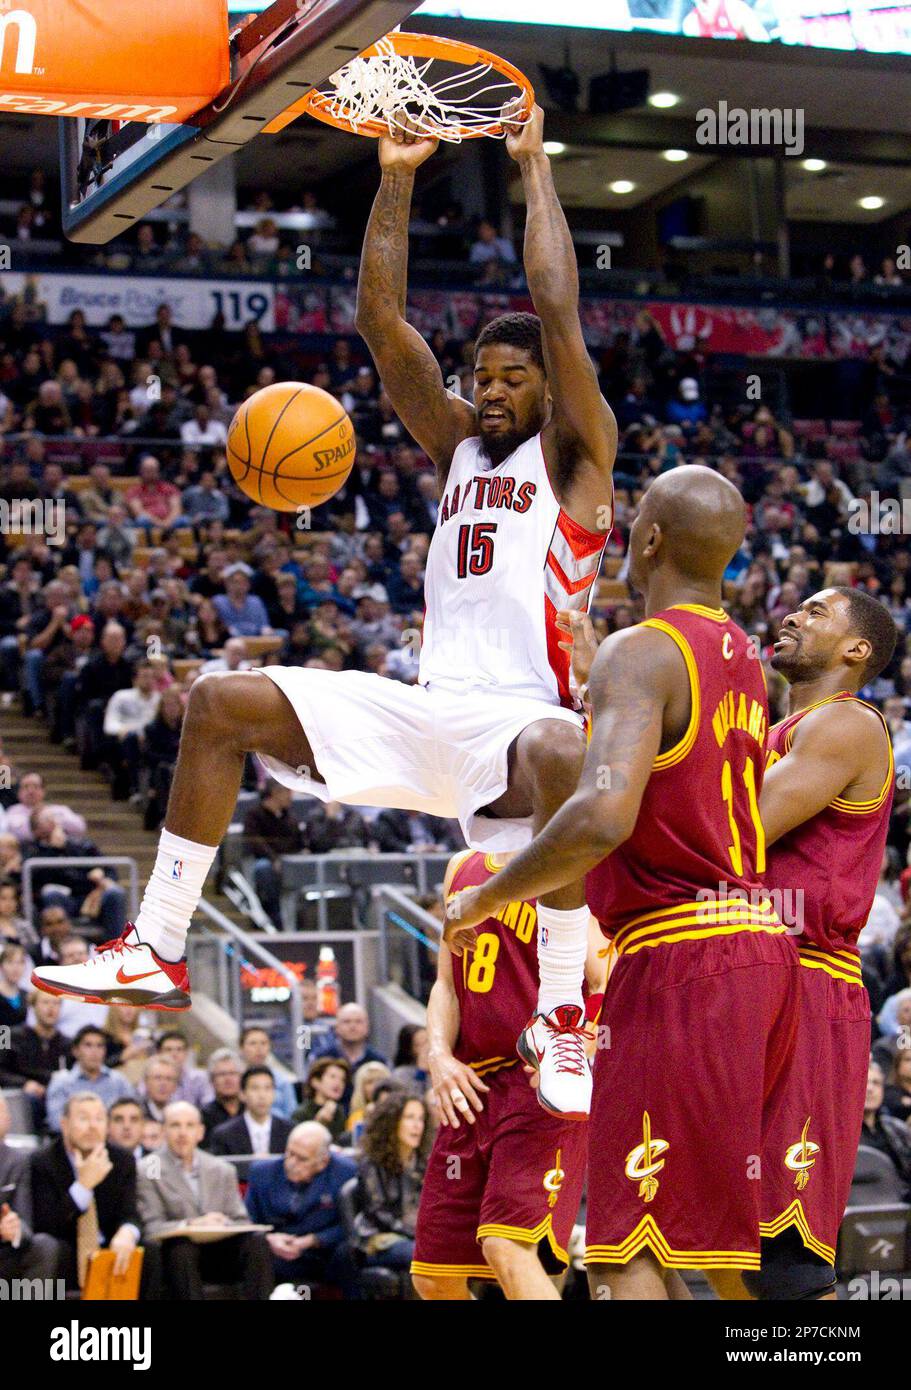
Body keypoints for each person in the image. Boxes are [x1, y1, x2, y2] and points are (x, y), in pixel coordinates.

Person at [33, 104, 618, 1125]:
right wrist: (392, 176)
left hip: (520, 726)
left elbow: (556, 312)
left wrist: (533, 172)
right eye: (478, 375)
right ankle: (158, 943)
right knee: (218, 702)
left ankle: (562, 1009)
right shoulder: (455, 450)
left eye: (509, 379)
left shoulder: (574, 458)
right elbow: (382, 331)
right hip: (427, 710)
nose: (486, 392)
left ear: (546, 395)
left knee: (565, 751)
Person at [446, 465, 799, 1298]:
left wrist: (485, 898)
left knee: (624, 1249)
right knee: (709, 1239)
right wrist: (591, 693)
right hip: (753, 953)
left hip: (683, 957)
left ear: (647, 540)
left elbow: (603, 818)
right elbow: (672, 784)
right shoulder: (742, 656)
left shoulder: (638, 652)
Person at [747, 586, 898, 1300]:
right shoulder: (779, 731)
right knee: (721, 1243)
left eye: (814, 611)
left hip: (805, 983)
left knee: (786, 1258)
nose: (790, 615)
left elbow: (734, 834)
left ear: (855, 649)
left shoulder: (846, 724)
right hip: (748, 979)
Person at [414, 849, 606, 1300]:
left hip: (534, 1084)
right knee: (434, 1277)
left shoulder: (567, 856)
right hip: (470, 1086)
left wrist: (575, 1051)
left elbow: (604, 978)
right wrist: (439, 1055)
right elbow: (446, 983)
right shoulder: (460, 867)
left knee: (508, 1247)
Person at [136, 1101, 274, 1300]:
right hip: (175, 1254)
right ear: (163, 1131)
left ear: (200, 1132)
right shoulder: (150, 1167)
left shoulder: (221, 1168)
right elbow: (152, 1226)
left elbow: (241, 1220)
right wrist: (191, 1224)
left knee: (257, 1242)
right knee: (182, 1249)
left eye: (189, 1125)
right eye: (175, 1125)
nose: (182, 1133)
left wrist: (222, 1223)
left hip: (219, 1251)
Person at [30, 1092, 145, 1294]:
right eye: (83, 1118)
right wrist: (83, 1186)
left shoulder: (122, 1160)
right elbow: (46, 1225)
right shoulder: (42, 1161)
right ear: (64, 1124)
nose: (92, 1126)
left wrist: (127, 1233)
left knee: (147, 1250)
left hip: (110, 1249)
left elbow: (130, 1213)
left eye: (99, 1119)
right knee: (52, 1250)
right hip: (67, 1249)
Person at [244, 1121, 358, 1295]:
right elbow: (247, 1221)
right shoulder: (262, 1172)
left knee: (349, 1252)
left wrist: (314, 1240)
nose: (291, 1163)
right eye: (289, 1154)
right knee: (255, 1252)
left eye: (302, 1159)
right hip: (276, 1254)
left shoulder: (345, 1173)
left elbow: (352, 1225)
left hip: (323, 1254)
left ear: (323, 1161)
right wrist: (268, 1239)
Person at [354, 1092, 429, 1273]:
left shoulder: (423, 1162)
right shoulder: (372, 1163)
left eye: (421, 1119)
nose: (417, 1125)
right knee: (426, 1255)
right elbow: (378, 1213)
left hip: (418, 1236)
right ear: (392, 1122)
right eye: (409, 1118)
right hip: (382, 1239)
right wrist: (416, 1234)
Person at [0, 1095, 59, 1287]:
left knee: (45, 1245)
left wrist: (15, 1229)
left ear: (8, 1120)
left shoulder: (17, 1161)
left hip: (3, 1252)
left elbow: (26, 1222)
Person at [45, 1024, 136, 1132]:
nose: (94, 1051)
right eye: (88, 1045)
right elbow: (56, 1123)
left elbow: (134, 1115)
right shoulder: (62, 1083)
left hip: (114, 1141)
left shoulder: (119, 1081)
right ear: (76, 1051)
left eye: (100, 1046)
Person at [209, 1067, 292, 1156]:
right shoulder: (224, 1135)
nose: (262, 1095)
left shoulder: (289, 1131)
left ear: (274, 1093)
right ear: (242, 1094)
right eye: (255, 1088)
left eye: (267, 1088)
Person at [860, 1062, 911, 1197]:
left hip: (900, 1202)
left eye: (876, 1083)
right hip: (861, 1201)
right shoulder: (841, 1134)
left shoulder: (898, 1129)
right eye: (864, 1082)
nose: (870, 1089)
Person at [238, 1026, 297, 1120]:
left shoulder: (282, 1080)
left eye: (263, 1043)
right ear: (241, 1048)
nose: (259, 1048)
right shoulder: (235, 1079)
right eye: (253, 1043)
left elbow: (292, 1114)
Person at [291, 1058, 350, 1141]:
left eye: (342, 1080)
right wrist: (319, 1122)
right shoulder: (301, 1113)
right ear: (315, 1082)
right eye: (332, 1077)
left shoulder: (339, 1112)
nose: (338, 1083)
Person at [200, 1048, 245, 1143]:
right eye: (221, 1074)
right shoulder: (202, 1116)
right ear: (211, 1080)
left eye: (232, 1073)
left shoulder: (250, 1112)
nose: (228, 1079)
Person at [0, 943, 28, 1028]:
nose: (15, 968)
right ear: (1, 966)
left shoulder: (26, 995)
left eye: (20, 963)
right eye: (10, 962)